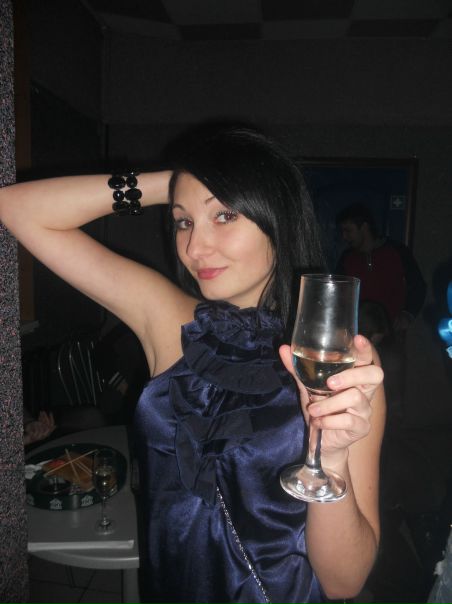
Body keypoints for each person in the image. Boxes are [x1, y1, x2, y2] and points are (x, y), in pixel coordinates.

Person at [0, 127, 385, 603]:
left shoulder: (334, 362)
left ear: (277, 215)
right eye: (183, 222)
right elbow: (17, 209)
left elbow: (344, 582)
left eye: (224, 215)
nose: (195, 248)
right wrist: (175, 183)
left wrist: (332, 458)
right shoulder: (169, 319)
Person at [336, 202, 426, 337]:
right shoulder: (347, 258)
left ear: (364, 227)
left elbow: (417, 286)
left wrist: (408, 314)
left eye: (348, 231)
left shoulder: (397, 251)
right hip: (357, 333)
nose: (344, 236)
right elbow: (338, 292)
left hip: (391, 334)